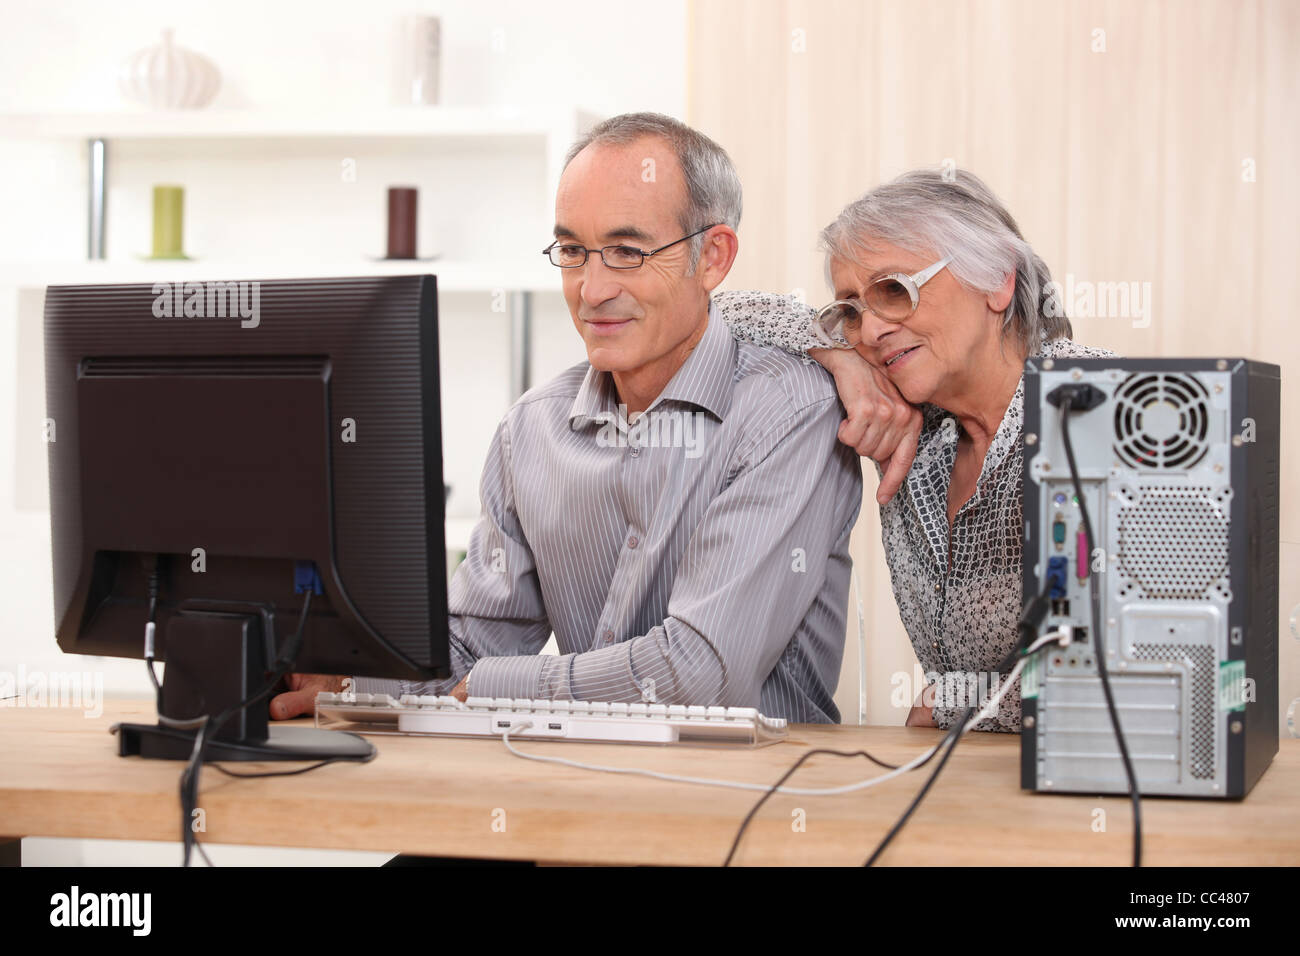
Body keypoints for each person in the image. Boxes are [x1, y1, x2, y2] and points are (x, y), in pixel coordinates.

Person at [271, 112, 862, 724]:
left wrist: (491, 685)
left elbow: (700, 675)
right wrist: (353, 677)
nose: (592, 288)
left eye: (627, 251)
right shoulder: (532, 431)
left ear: (712, 257)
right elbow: (469, 646)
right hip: (575, 790)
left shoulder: (790, 413)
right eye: (574, 251)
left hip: (759, 802)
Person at [717, 168, 1114, 732]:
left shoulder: (1100, 408)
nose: (871, 331)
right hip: (962, 788)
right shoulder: (914, 422)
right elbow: (715, 313)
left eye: (894, 290)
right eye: (851, 311)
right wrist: (835, 354)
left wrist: (952, 705)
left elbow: (1124, 668)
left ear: (998, 280)